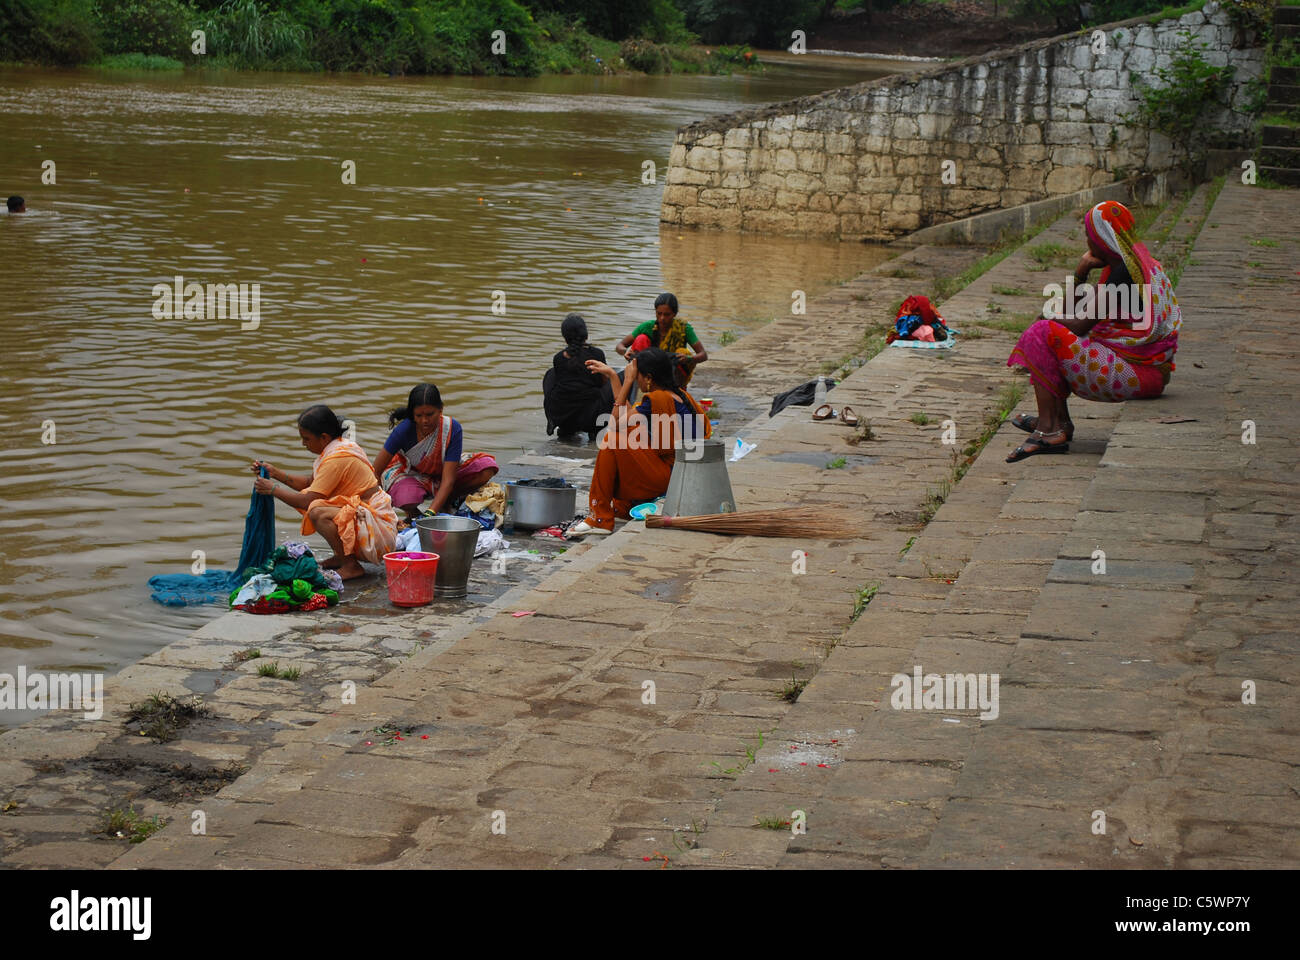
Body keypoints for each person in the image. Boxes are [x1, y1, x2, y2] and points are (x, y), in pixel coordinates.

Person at [1005, 200, 1181, 462]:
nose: (1087, 240)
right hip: (1149, 371)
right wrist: (1081, 273)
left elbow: (1078, 324)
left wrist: (1049, 316)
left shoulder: (1124, 272)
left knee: (1039, 334)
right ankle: (1056, 422)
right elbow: (1072, 314)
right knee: (1046, 333)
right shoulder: (1129, 264)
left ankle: (1050, 429)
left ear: (1101, 237)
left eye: (1089, 235)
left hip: (1139, 375)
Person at [567, 347, 711, 538]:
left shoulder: (658, 398)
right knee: (630, 433)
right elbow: (627, 417)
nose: (636, 380)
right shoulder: (679, 395)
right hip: (684, 474)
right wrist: (613, 377)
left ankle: (599, 517)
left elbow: (613, 426)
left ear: (649, 378)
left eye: (638, 376)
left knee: (612, 440)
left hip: (673, 478)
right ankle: (623, 507)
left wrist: (626, 381)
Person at [251, 405, 397, 580]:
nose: (303, 443)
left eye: (306, 439)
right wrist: (275, 473)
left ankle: (350, 566)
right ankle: (342, 556)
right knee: (319, 507)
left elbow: (307, 500)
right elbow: (309, 483)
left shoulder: (337, 459)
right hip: (370, 520)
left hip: (377, 530)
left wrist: (273, 489)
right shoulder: (339, 447)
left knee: (318, 512)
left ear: (324, 437)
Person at [371, 383, 498, 521]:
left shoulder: (451, 428)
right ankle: (413, 513)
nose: (424, 421)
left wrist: (431, 512)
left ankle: (445, 501)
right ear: (412, 414)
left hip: (444, 471)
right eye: (419, 416)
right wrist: (380, 506)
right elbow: (375, 471)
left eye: (430, 414)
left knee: (486, 467)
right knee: (406, 498)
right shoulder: (403, 431)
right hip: (410, 473)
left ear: (441, 410)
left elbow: (448, 479)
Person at [543, 313, 614, 441]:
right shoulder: (597, 354)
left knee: (551, 374)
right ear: (586, 336)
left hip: (563, 417)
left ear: (565, 338)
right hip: (593, 418)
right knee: (613, 378)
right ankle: (597, 430)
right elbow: (603, 382)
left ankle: (554, 422)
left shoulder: (558, 358)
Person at [615, 292, 707, 386]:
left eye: (667, 315)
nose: (662, 318)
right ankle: (641, 382)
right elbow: (620, 346)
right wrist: (625, 352)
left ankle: (676, 388)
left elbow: (703, 355)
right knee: (641, 339)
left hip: (673, 373)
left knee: (683, 351)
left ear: (674, 314)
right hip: (649, 371)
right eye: (659, 313)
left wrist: (688, 359)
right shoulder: (647, 327)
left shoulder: (684, 329)